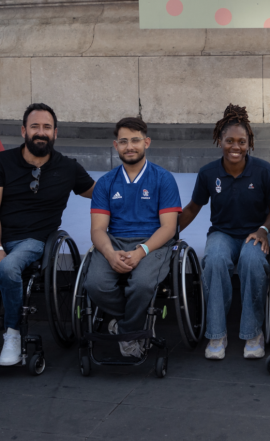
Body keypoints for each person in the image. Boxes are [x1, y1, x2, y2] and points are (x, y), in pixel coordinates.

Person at [0, 103, 95, 408]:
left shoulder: (68, 167)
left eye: (47, 127)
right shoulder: (1, 162)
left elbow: (101, 193)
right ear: (24, 130)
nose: (41, 132)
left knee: (9, 268)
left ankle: (12, 333)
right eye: (35, 126)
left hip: (35, 240)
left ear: (55, 133)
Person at [178, 104, 270, 360]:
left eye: (241, 141)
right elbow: (193, 207)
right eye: (229, 140)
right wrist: (168, 233)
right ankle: (216, 333)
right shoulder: (208, 173)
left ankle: (253, 333)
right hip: (222, 233)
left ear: (249, 143)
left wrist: (264, 229)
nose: (236, 146)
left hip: (256, 232)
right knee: (215, 260)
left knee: (252, 260)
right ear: (219, 141)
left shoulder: (263, 171)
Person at [85, 117, 182, 358]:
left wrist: (141, 251)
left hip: (152, 241)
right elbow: (98, 229)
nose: (130, 146)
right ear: (115, 145)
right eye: (124, 141)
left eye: (135, 140)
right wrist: (110, 253)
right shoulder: (106, 183)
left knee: (142, 285)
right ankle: (132, 322)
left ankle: (126, 331)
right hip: (115, 240)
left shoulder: (163, 178)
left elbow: (169, 228)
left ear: (146, 142)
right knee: (94, 284)